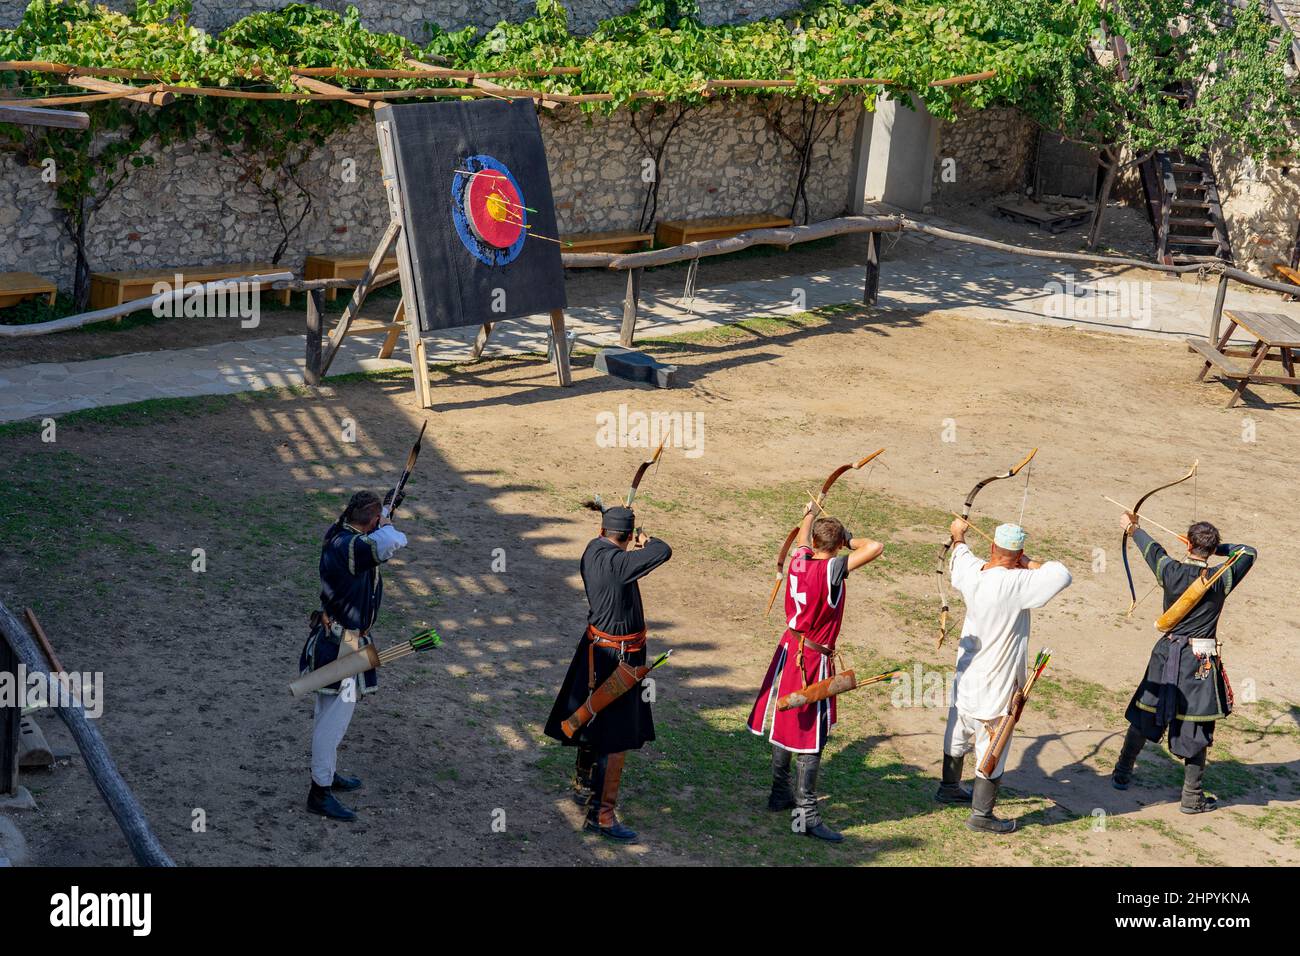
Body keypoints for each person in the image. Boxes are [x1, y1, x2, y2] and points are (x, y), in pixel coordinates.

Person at [747, 505, 884, 843]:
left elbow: (804, 536)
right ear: (836, 546)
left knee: (786, 718)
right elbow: (876, 547)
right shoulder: (833, 568)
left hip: (790, 651)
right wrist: (851, 540)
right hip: (811, 661)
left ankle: (780, 793)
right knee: (811, 734)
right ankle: (806, 814)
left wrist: (809, 513)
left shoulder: (799, 558)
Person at [543, 505, 671, 844]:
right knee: (615, 738)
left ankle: (585, 781)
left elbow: (617, 545)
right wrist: (647, 539)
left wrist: (627, 534)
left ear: (602, 531)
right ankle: (601, 815)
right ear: (627, 538)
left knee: (591, 716)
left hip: (595, 651)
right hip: (619, 660)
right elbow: (663, 551)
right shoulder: (621, 564)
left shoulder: (592, 549)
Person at [1111, 515, 1256, 813]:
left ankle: (1122, 773)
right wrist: (1219, 549)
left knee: (1145, 713)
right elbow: (1249, 552)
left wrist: (1133, 527)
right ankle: (1191, 798)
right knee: (1195, 726)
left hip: (1167, 654)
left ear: (1188, 544)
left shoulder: (1170, 570)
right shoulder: (1222, 577)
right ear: (1210, 548)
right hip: (1199, 662)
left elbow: (1151, 548)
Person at [939, 519, 1071, 834]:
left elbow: (960, 553)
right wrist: (1028, 562)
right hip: (996, 681)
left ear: (992, 548)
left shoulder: (974, 572)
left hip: (968, 672)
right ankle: (981, 815)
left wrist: (958, 534)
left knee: (959, 726)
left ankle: (949, 787)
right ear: (1019, 553)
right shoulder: (1018, 583)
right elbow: (1061, 574)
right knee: (992, 741)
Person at [298, 490, 407, 822]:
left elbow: (375, 532)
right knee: (332, 722)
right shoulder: (353, 548)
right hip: (341, 647)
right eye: (376, 520)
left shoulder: (338, 530)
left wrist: (386, 506)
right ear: (371, 522)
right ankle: (319, 792)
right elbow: (394, 540)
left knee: (328, 715)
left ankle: (326, 775)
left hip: (337, 641)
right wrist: (387, 520)